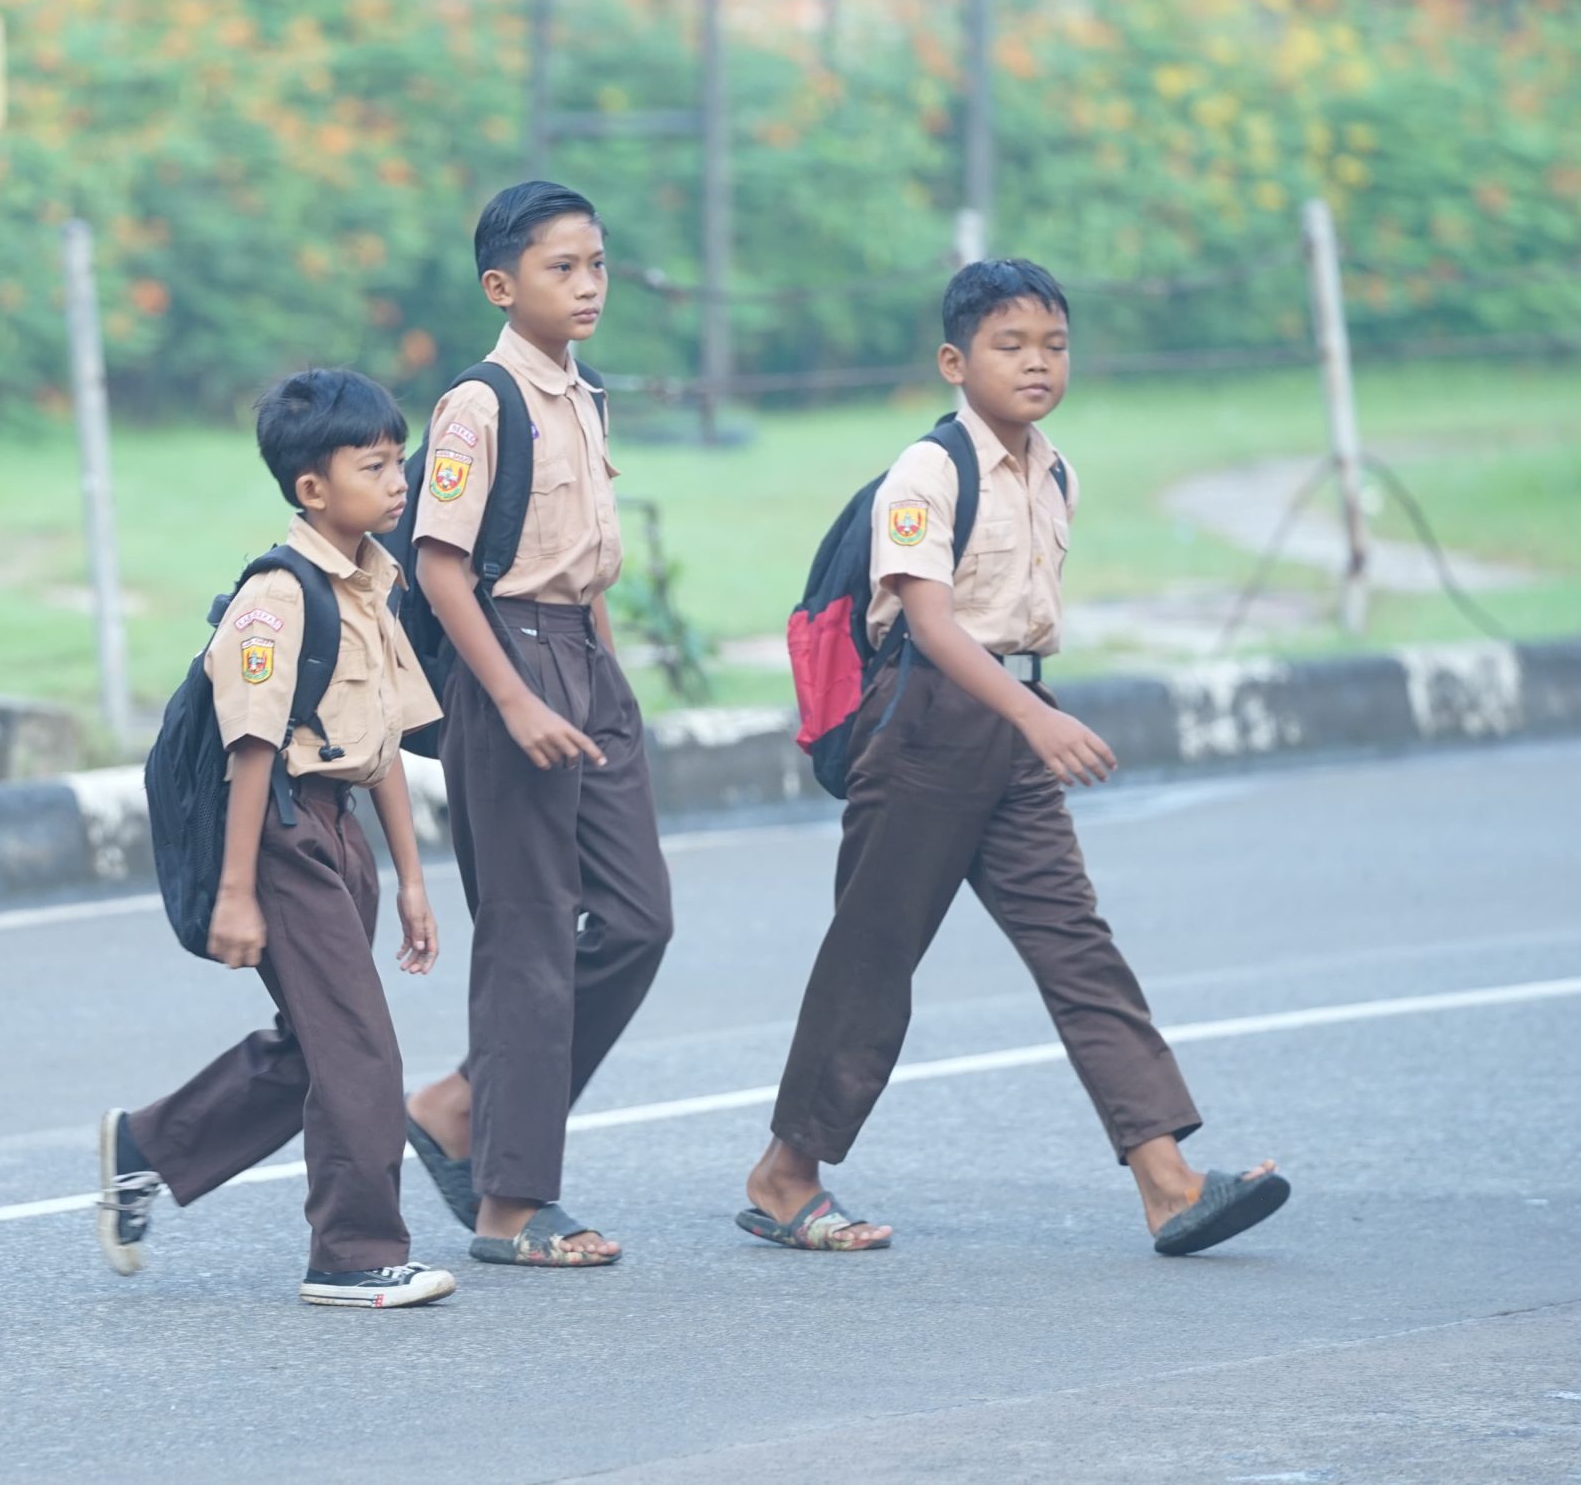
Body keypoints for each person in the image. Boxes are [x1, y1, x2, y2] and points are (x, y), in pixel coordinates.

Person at [738, 257, 1291, 1257]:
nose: (1037, 363)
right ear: (955, 360)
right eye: (1010, 344)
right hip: (927, 723)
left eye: (1054, 344)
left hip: (1010, 716)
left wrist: (1029, 714)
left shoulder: (1054, 468)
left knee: (1075, 942)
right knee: (875, 952)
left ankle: (1166, 1180)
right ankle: (785, 1173)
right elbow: (932, 623)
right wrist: (1032, 718)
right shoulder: (928, 472)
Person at [96, 369, 456, 1310]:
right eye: (373, 465)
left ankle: (151, 1145)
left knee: (320, 1043)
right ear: (312, 488)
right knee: (362, 1050)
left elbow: (383, 749)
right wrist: (238, 890)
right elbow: (249, 748)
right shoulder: (279, 596)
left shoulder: (374, 584)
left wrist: (414, 882)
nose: (397, 479)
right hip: (284, 836)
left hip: (342, 837)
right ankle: (353, 1252)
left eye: (397, 460)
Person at [399, 182, 673, 1268]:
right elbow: (438, 561)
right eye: (563, 267)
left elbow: (586, 556)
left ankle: (465, 1104)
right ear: (502, 286)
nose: (589, 284)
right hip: (505, 660)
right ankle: (511, 1204)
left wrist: (605, 676)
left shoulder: (581, 393)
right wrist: (513, 696)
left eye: (597, 263)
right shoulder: (480, 402)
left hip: (582, 663)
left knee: (637, 919)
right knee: (526, 936)